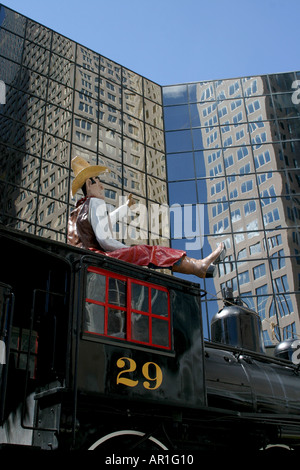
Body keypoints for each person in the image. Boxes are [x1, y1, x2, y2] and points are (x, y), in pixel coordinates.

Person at [67, 156, 226, 278]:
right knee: (148, 252)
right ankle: (198, 267)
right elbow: (104, 240)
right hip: (97, 258)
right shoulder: (95, 202)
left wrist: (125, 207)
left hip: (84, 261)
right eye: (98, 182)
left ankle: (199, 266)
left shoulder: (77, 211)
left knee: (143, 252)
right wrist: (131, 251)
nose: (102, 186)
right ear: (89, 183)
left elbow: (103, 224)